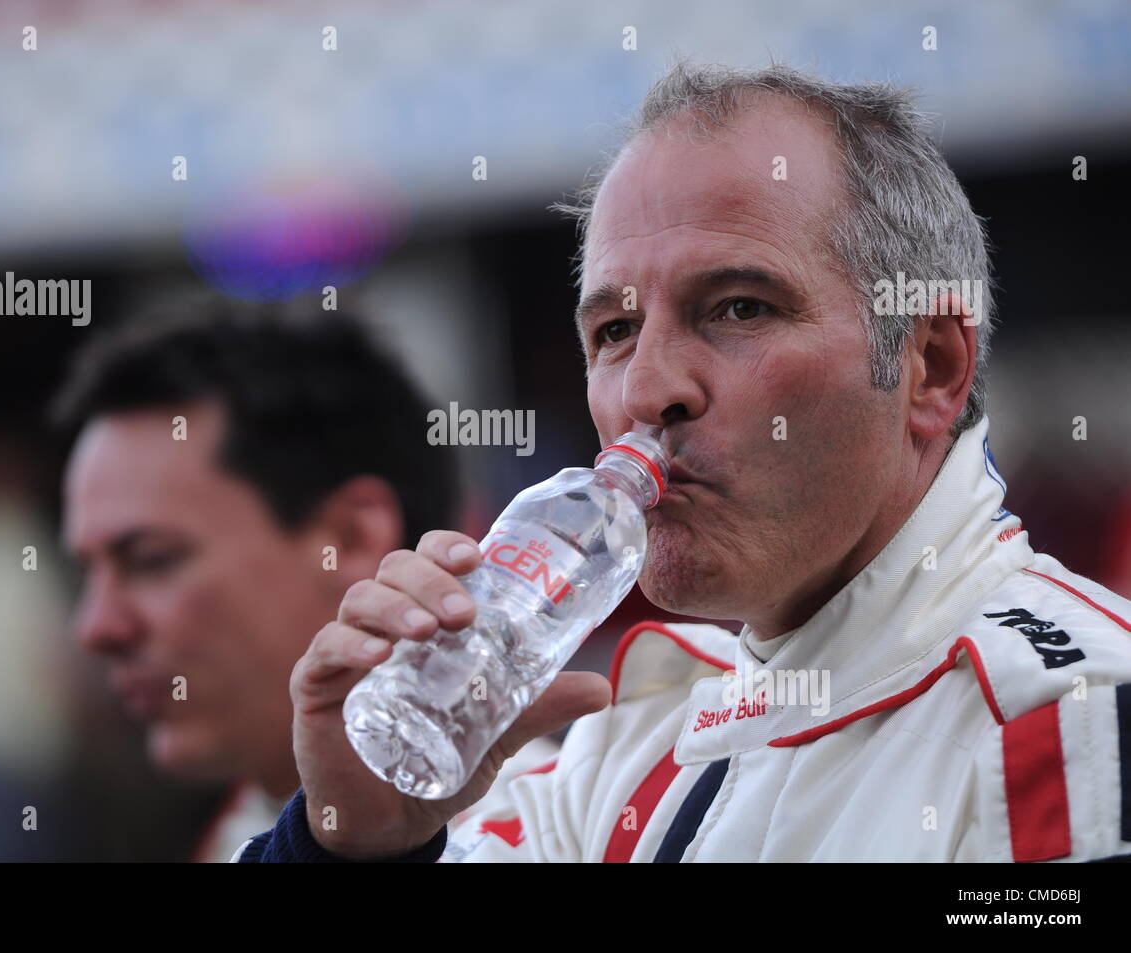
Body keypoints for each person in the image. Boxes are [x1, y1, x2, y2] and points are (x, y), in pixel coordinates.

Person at [236, 63, 1131, 863]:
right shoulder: (616, 751)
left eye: (739, 307)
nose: (646, 389)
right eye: (615, 331)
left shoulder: (1074, 721)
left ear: (930, 366)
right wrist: (348, 847)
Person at [53, 298, 558, 861]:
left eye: (151, 559)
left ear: (347, 537)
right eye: (86, 572)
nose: (96, 627)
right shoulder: (247, 824)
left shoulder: (545, 835)